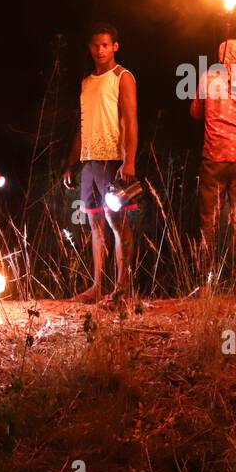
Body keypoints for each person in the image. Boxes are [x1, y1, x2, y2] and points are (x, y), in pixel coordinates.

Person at [61, 24, 137, 302]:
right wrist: (72, 163)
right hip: (89, 161)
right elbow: (83, 126)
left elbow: (131, 120)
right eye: (95, 45)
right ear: (90, 48)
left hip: (113, 160)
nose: (100, 50)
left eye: (106, 45)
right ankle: (97, 286)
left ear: (115, 46)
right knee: (94, 223)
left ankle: (122, 289)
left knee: (117, 222)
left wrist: (129, 161)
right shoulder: (86, 82)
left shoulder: (123, 77)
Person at [190, 39, 236, 284]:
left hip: (214, 157)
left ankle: (206, 282)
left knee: (209, 222)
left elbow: (196, 113)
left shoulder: (209, 77)